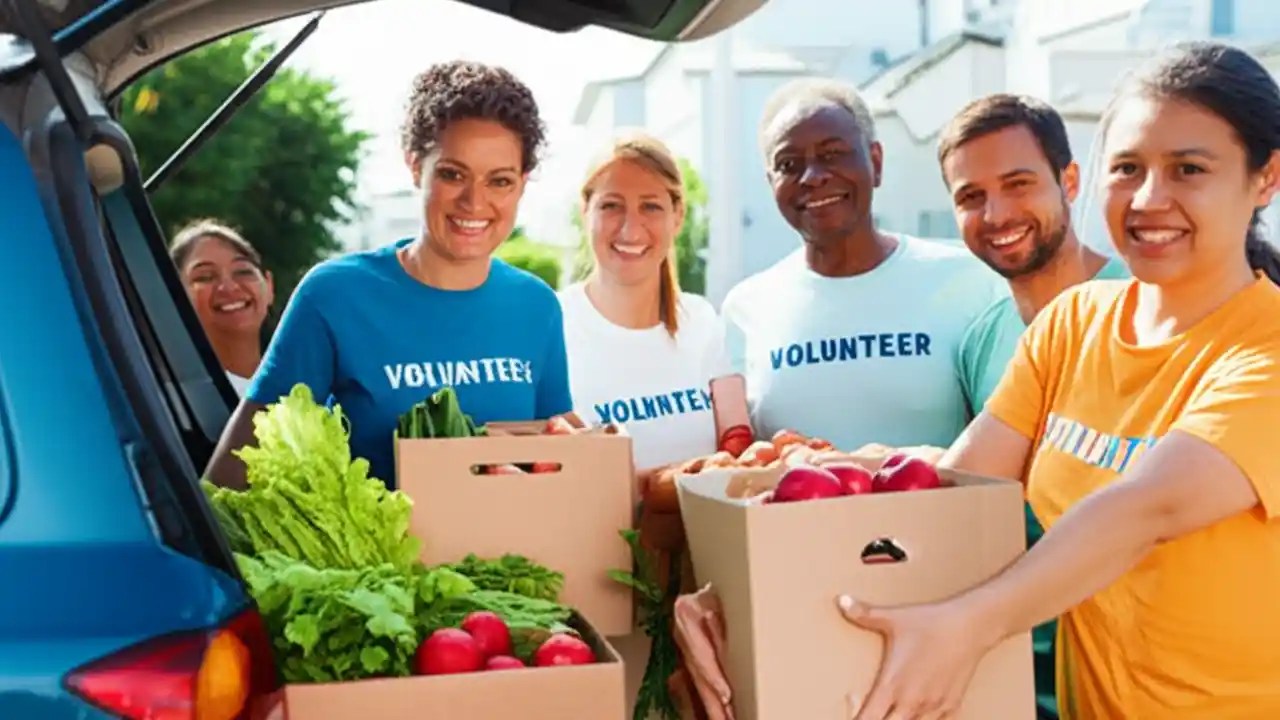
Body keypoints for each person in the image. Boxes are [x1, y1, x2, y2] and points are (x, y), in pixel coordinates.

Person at [678, 41, 1280, 720]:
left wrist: (968, 625)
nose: (1148, 199)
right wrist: (745, 576)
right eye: (1128, 168)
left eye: (1188, 169)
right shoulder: (1076, 322)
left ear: (1265, 179)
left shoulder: (1267, 348)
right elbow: (945, 494)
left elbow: (1144, 510)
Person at [205, 60, 572, 489]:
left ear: (523, 183)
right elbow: (231, 476)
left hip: (511, 553)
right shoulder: (335, 296)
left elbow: (557, 457)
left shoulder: (536, 306)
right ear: (416, 166)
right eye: (453, 174)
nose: (475, 202)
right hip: (376, 554)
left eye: (500, 181)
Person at [938, 93, 1131, 720]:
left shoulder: (1146, 309)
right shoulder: (980, 340)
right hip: (1015, 683)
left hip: (1135, 685)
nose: (997, 213)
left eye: (1019, 184)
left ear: (1069, 180)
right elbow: (979, 506)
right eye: (971, 197)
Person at [720, 77, 1006, 454]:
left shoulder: (970, 281)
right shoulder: (746, 308)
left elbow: (1007, 443)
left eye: (832, 154)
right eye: (789, 164)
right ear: (771, 182)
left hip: (940, 514)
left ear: (875, 162)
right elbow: (741, 461)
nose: (813, 177)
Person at [560, 130, 728, 471]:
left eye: (650, 207)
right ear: (585, 211)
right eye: (611, 206)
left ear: (677, 215)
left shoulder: (703, 322)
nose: (630, 230)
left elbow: (736, 458)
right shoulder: (552, 325)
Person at [170, 219, 275, 397]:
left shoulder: (311, 387)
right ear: (174, 299)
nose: (229, 287)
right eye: (205, 277)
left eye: (243, 271)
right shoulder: (175, 402)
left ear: (269, 286)